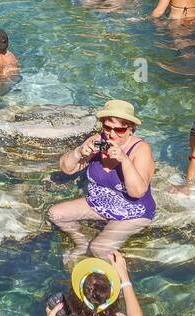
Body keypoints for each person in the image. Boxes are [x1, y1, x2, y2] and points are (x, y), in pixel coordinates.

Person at [49, 100, 155, 261]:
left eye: (119, 129)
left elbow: (137, 191)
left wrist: (124, 160)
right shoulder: (98, 140)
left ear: (131, 129)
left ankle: (117, 281)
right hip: (100, 203)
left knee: (99, 248)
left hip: (132, 211)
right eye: (107, 127)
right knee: (56, 214)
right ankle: (81, 243)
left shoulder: (141, 149)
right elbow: (66, 168)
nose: (112, 134)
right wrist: (79, 152)